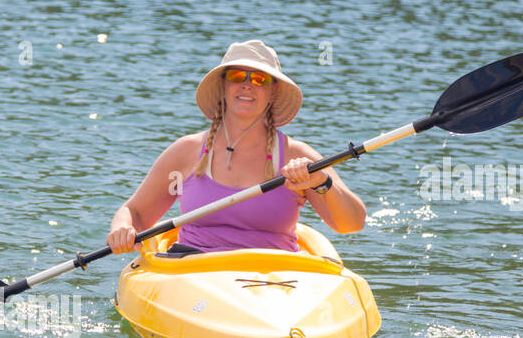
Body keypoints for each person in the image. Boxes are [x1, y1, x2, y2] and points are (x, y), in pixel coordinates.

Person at [107, 40, 366, 256]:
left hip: (276, 277)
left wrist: (322, 183)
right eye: (237, 76)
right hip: (193, 270)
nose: (247, 84)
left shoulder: (298, 157)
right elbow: (136, 212)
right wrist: (122, 227)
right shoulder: (186, 151)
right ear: (223, 86)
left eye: (260, 79)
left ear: (273, 91)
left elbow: (352, 224)